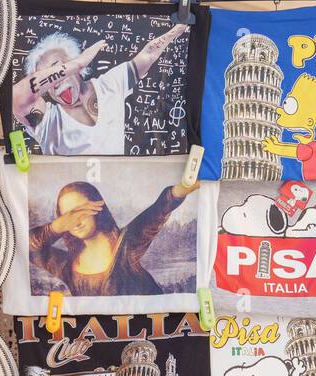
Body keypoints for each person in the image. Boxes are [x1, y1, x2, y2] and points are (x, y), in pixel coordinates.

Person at [12, 24, 189, 155]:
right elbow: (17, 96)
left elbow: (148, 54)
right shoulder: (47, 121)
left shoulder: (109, 85)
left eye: (58, 68)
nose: (55, 83)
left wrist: (177, 29)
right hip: (72, 202)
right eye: (50, 77)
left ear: (75, 66)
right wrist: (77, 63)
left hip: (120, 192)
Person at [29, 178, 198, 297]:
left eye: (82, 211)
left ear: (98, 207)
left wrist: (181, 188)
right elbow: (24, 246)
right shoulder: (66, 265)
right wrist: (56, 227)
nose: (75, 221)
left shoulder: (125, 244)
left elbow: (159, 209)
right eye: (67, 216)